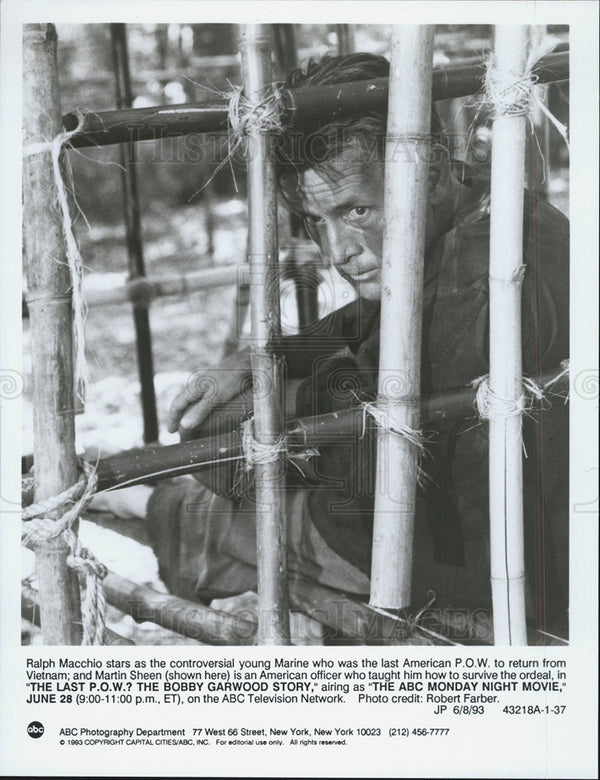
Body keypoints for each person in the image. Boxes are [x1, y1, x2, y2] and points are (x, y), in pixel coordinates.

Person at [93, 53, 569, 640]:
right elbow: (377, 311)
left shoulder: (480, 297)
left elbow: (354, 471)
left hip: (478, 575)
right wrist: (258, 361)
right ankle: (170, 502)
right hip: (436, 512)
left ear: (434, 171)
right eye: (314, 220)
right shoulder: (493, 212)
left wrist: (284, 401)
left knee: (225, 484)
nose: (337, 250)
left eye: (357, 210)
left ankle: (158, 509)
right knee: (229, 438)